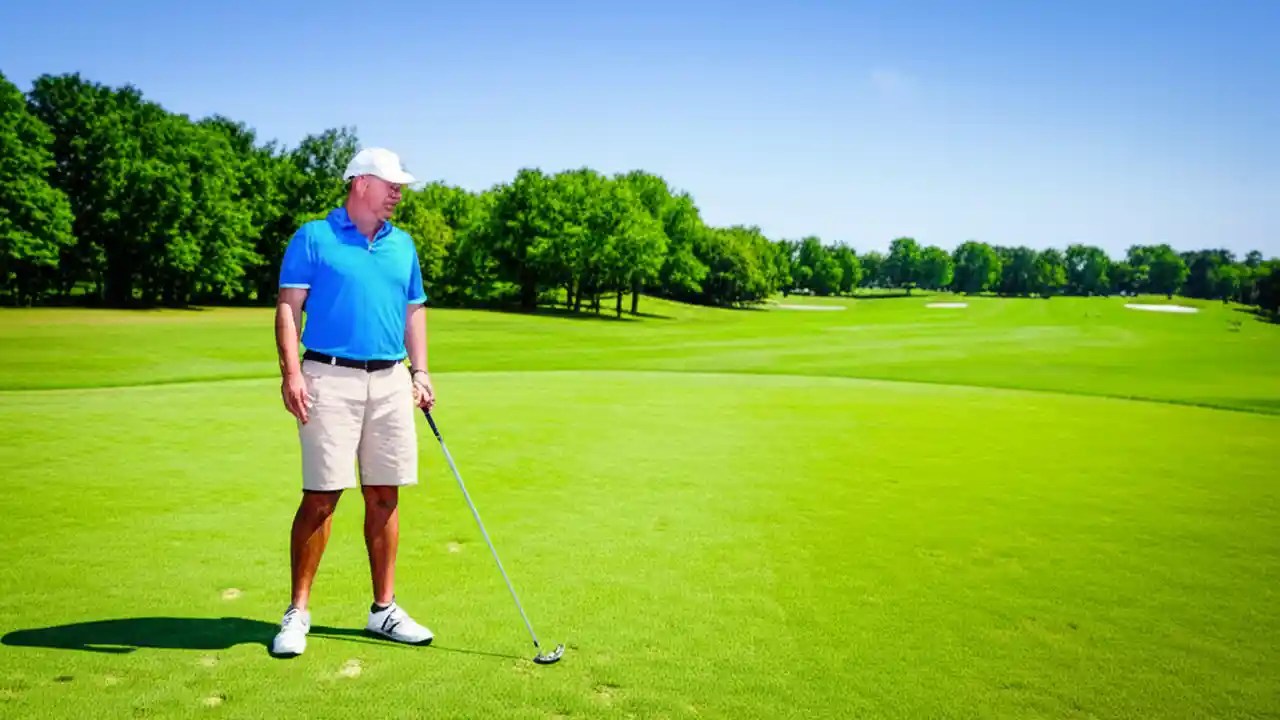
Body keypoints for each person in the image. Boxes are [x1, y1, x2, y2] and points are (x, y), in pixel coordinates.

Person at [270, 147, 436, 658]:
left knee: (385, 495)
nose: (398, 192)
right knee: (322, 496)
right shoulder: (313, 237)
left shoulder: (402, 245)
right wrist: (291, 372)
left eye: (400, 185)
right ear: (360, 183)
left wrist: (422, 370)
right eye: (390, 184)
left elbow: (414, 311)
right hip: (328, 376)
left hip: (390, 380)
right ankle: (298, 612)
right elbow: (287, 307)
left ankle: (383, 610)